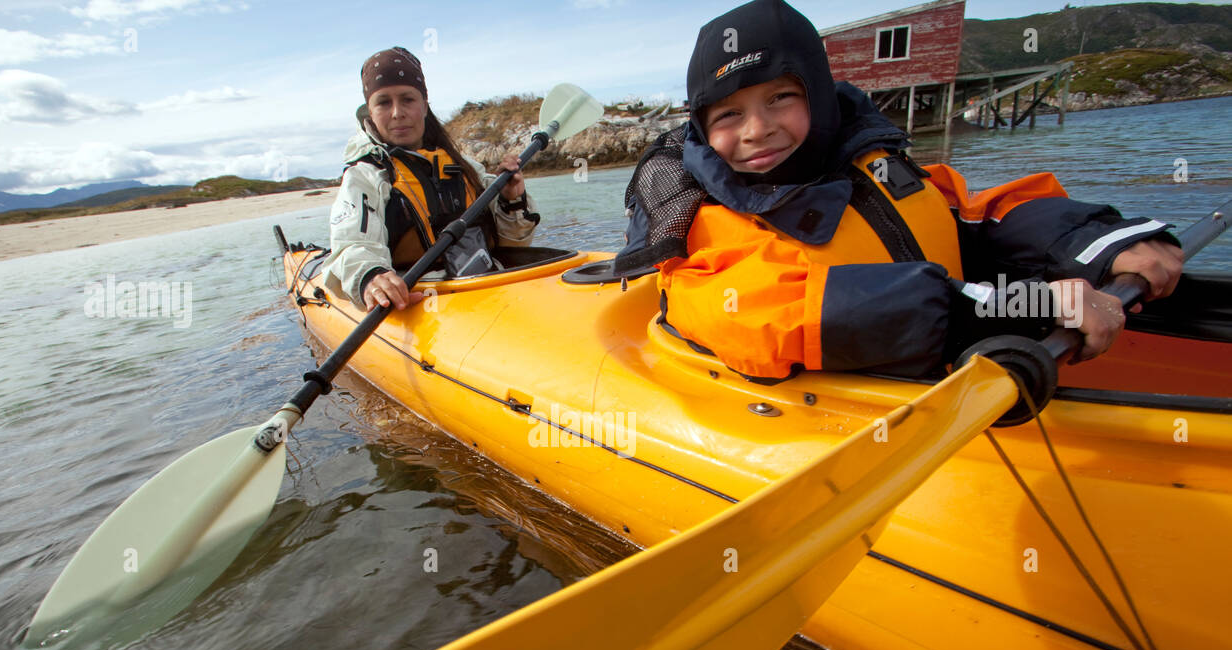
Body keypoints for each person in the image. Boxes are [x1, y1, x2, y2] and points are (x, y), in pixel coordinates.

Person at [615, 0, 1184, 382]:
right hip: (871, 395)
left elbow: (974, 217)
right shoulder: (707, 224)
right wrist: (1030, 302)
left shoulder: (879, 165)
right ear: (701, 127)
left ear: (817, 92)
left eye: (780, 99)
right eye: (728, 113)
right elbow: (780, 315)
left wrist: (1102, 243)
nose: (757, 129)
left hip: (971, 350)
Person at [324, 47, 541, 313]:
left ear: (424, 105)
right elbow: (352, 245)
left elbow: (514, 245)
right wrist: (371, 276)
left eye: (407, 99)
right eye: (383, 102)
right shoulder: (365, 177)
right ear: (369, 112)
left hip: (486, 289)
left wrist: (511, 199)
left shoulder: (466, 167)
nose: (397, 113)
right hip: (418, 302)